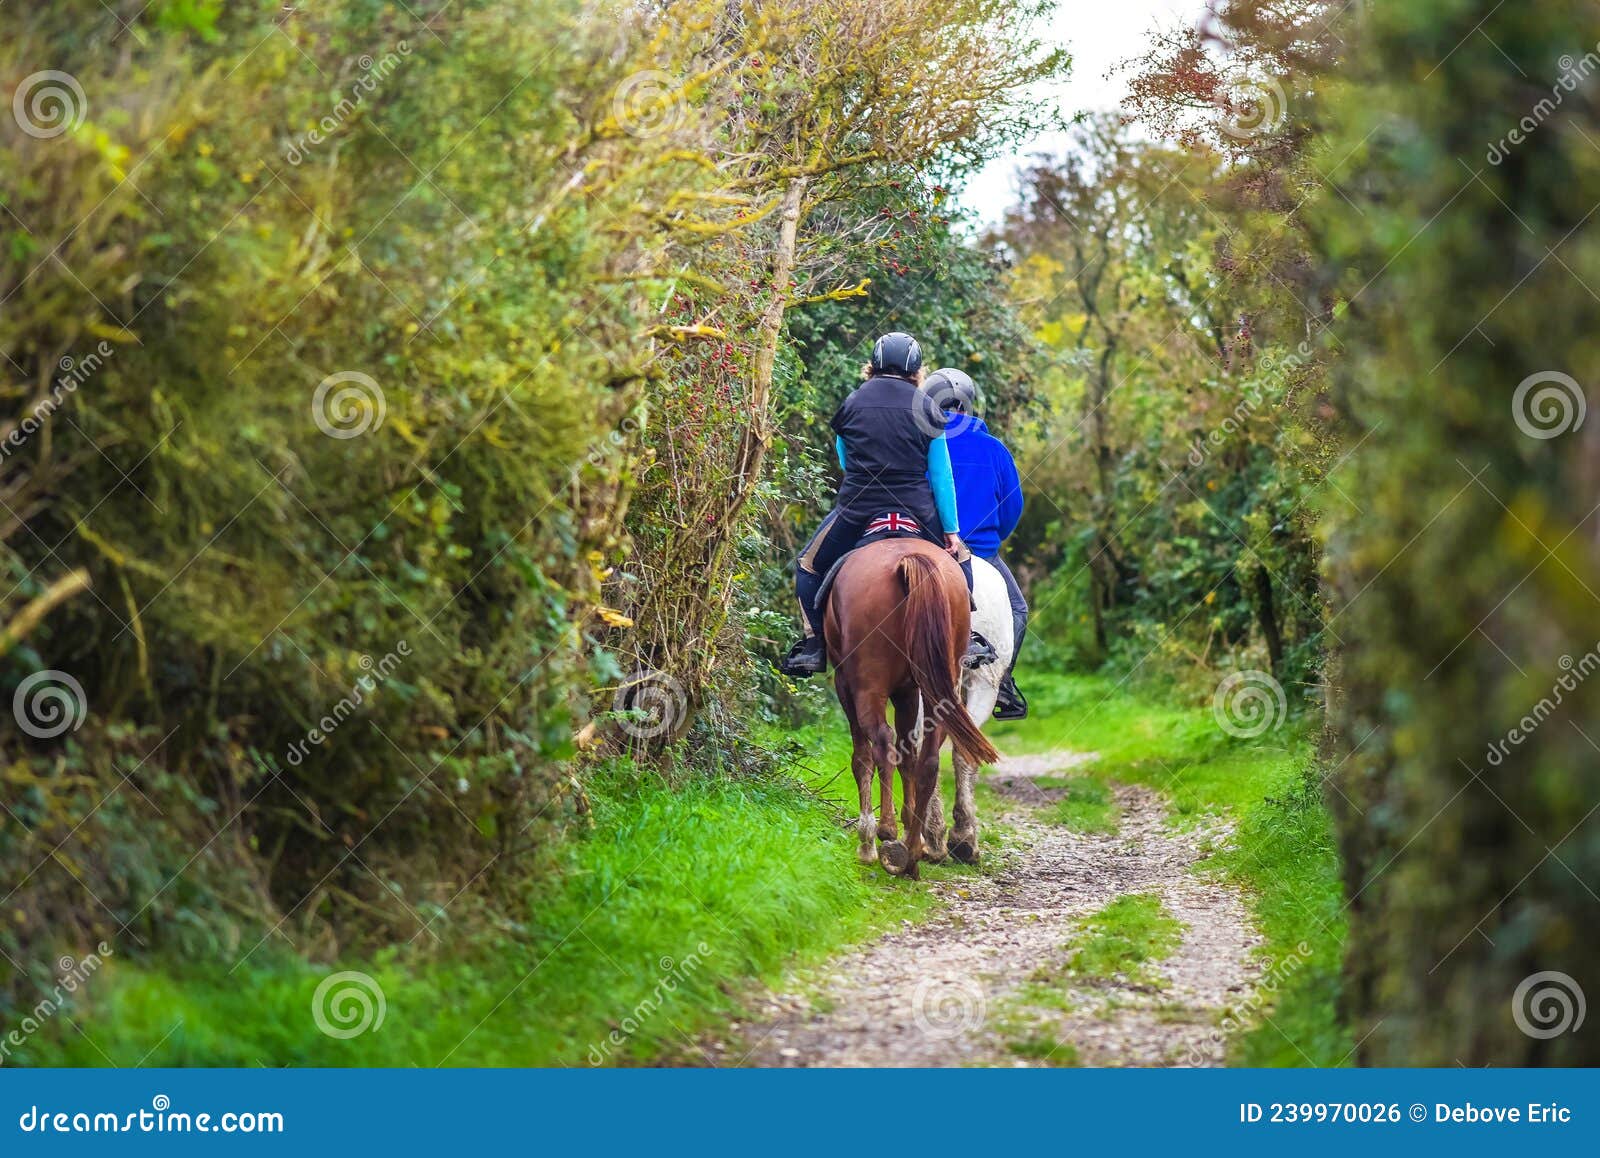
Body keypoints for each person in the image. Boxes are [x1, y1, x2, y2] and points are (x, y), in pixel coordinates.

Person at [779, 333, 995, 677]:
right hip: (917, 510)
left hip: (858, 507)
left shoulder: (852, 403)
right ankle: (966, 637)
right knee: (962, 559)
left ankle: (814, 645)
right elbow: (941, 477)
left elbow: (845, 459)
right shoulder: (928, 408)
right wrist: (950, 531)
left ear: (873, 365)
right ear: (916, 370)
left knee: (808, 565)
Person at [925, 367, 1029, 720]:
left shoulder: (923, 444)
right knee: (1017, 610)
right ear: (968, 405)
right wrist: (992, 539)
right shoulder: (994, 449)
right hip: (981, 554)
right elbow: (1014, 506)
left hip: (931, 551)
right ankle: (1003, 683)